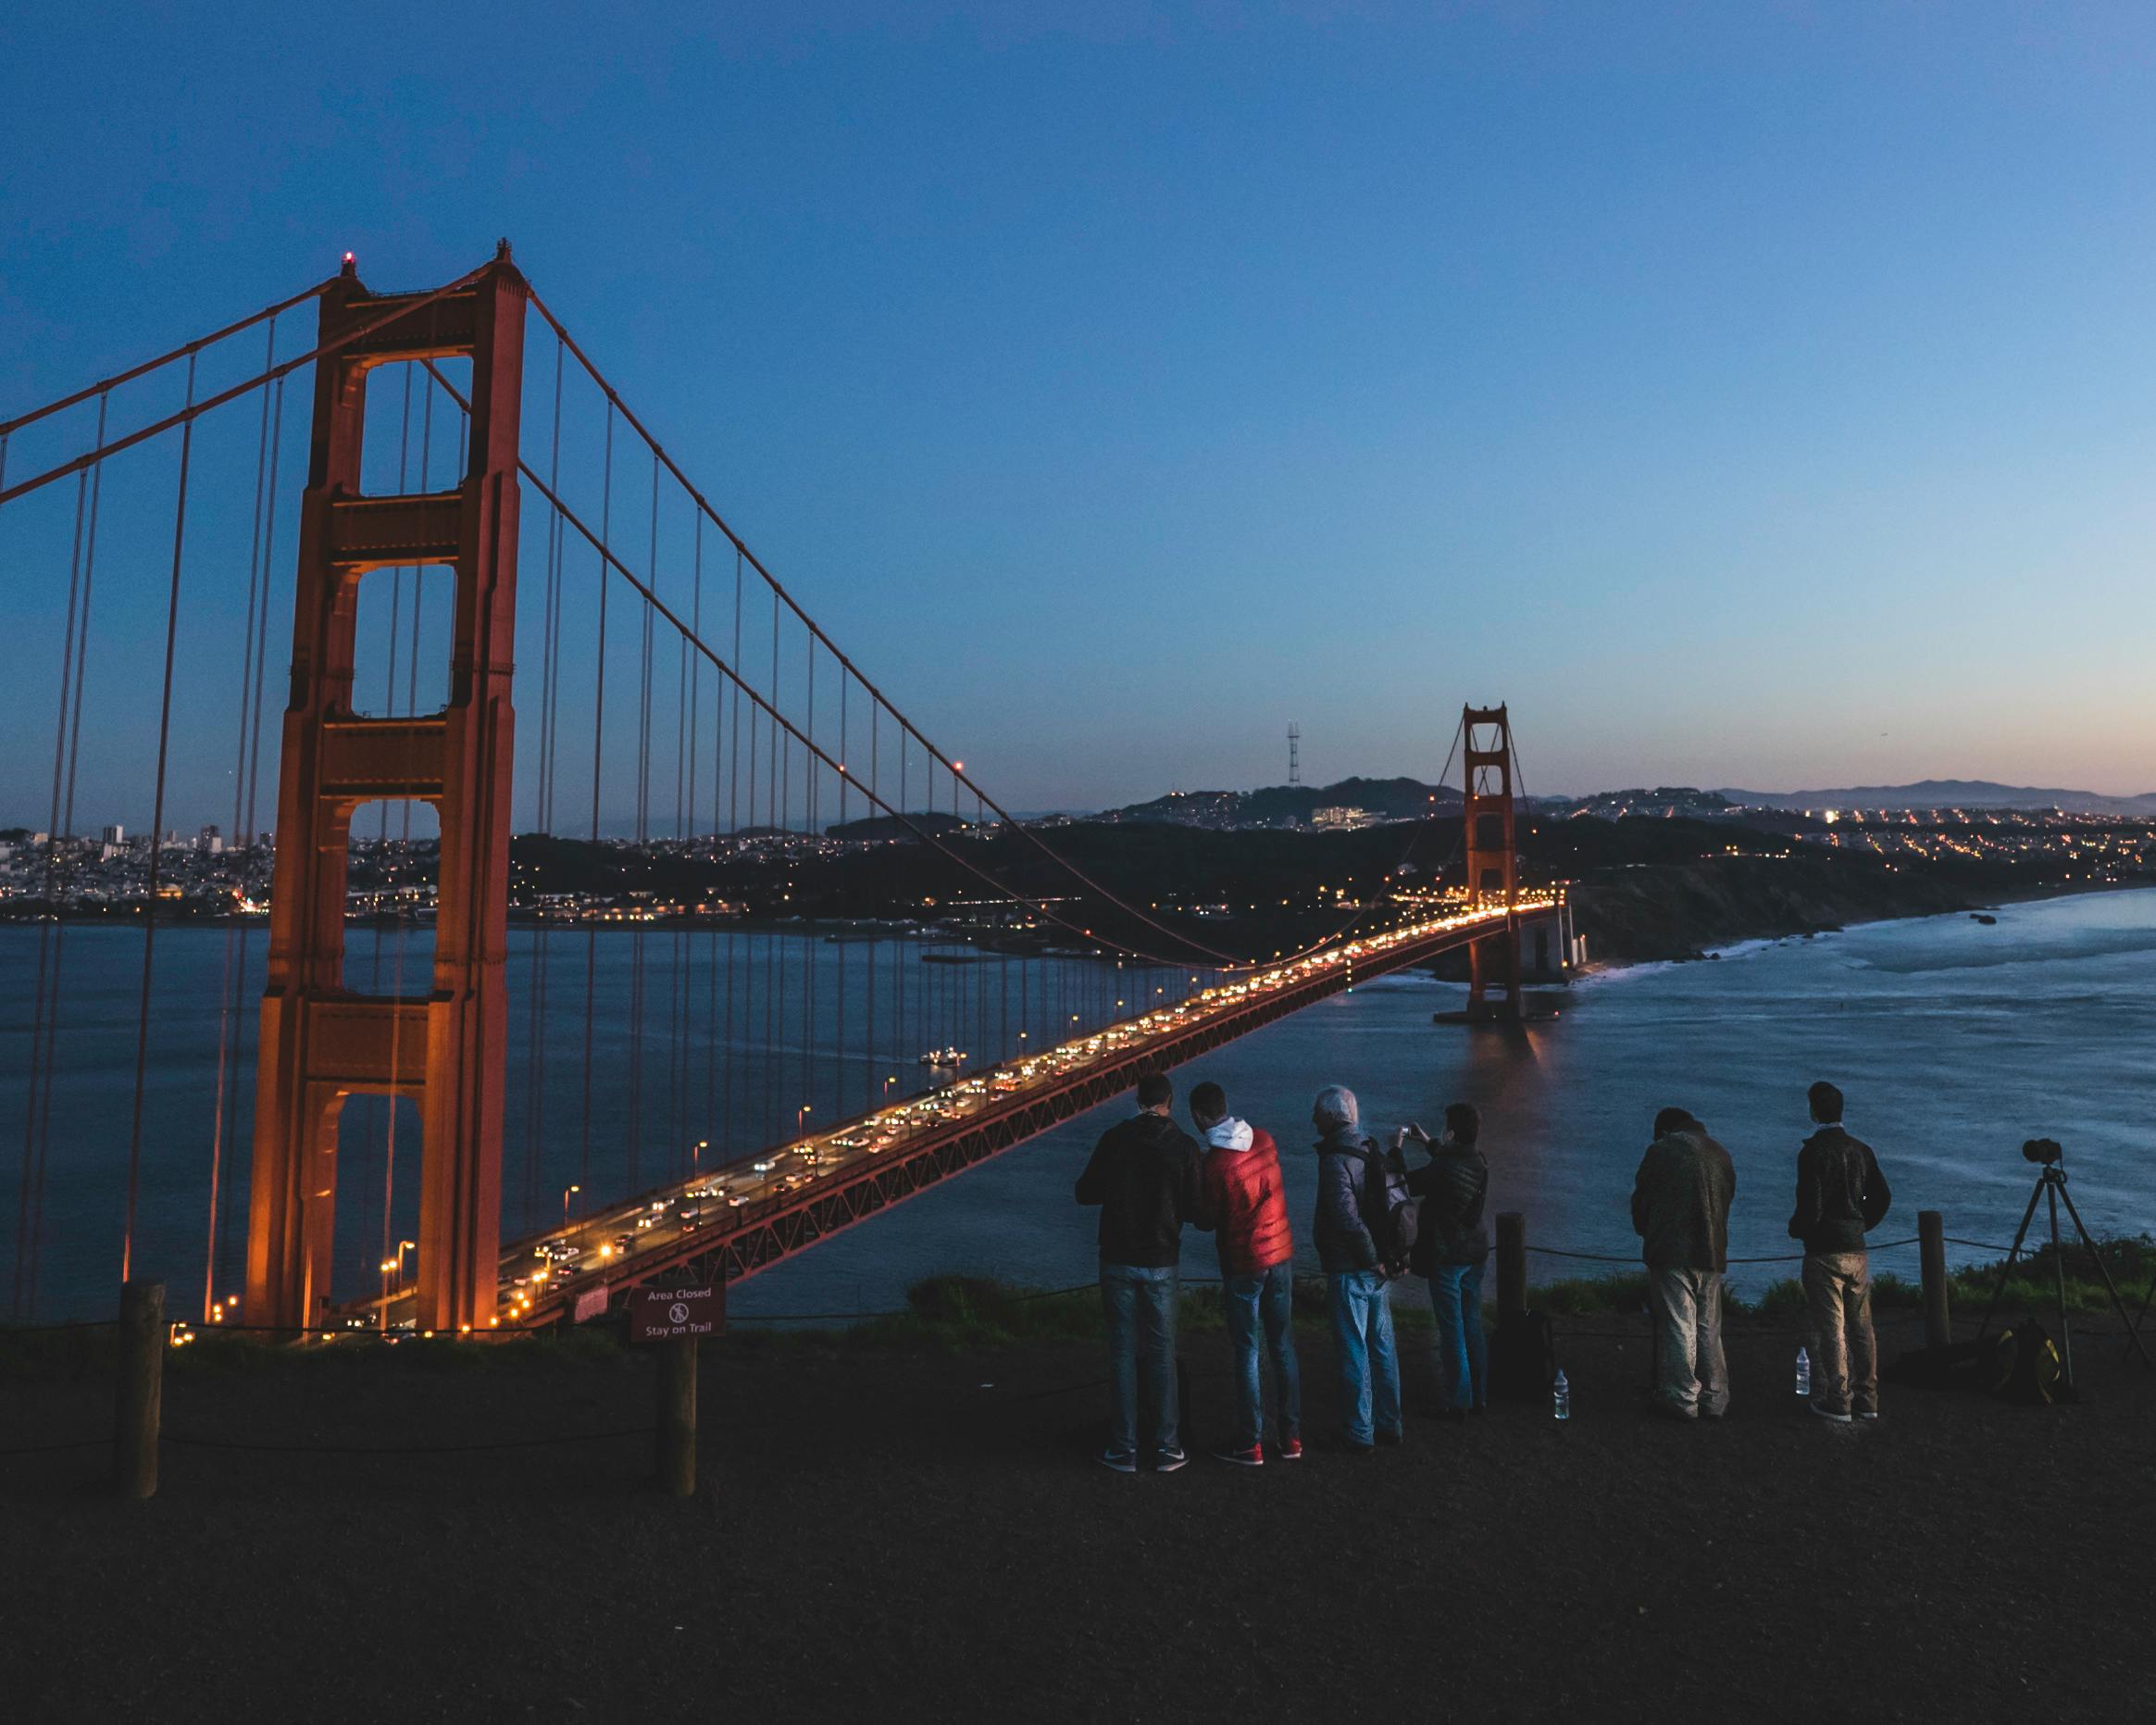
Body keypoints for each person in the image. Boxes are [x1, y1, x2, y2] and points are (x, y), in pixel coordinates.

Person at [1075, 1070, 1212, 1473]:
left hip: (1117, 1257)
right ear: (1169, 1101)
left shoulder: (1114, 1139)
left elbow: (1085, 1192)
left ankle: (1124, 1448)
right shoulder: (1185, 1146)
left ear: (1138, 1101)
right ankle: (1168, 1448)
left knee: (1121, 1353)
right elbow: (1196, 1211)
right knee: (1162, 1354)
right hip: (1161, 1260)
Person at [1191, 1080, 1302, 1466]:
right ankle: (1291, 1439)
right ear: (1226, 1107)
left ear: (1199, 1117)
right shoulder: (1266, 1139)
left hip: (1244, 1264)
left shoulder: (1214, 1164)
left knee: (1247, 1350)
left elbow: (1206, 1221)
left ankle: (1250, 1443)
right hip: (1281, 1256)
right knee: (1283, 1345)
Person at [1788, 1081, 1892, 1424]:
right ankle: (1868, 1398)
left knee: (1832, 1327)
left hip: (1824, 1250)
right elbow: (1882, 1197)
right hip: (1856, 1248)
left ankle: (1839, 1399)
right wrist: (1861, 1224)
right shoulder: (1862, 1150)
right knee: (1862, 1326)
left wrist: (1799, 1229)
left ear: (1813, 1111)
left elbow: (1811, 1207)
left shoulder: (1813, 1153)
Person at [1630, 1106, 1737, 1421]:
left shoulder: (1661, 1151)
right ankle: (1716, 1397)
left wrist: (1647, 1227)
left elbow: (1642, 1202)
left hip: (1671, 1250)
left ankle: (1682, 1397)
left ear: (1665, 1131)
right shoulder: (1721, 1154)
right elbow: (1727, 1199)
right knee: (1708, 1327)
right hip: (1713, 1251)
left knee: (1679, 1324)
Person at [1311, 1084, 1402, 1451]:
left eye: (1316, 1112)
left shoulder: (1337, 1159)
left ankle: (1359, 1431)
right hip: (1379, 1266)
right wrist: (1388, 1259)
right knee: (1383, 1347)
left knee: (1354, 1349)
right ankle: (1390, 1424)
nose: (1312, 1118)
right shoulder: (1371, 1147)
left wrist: (1370, 1260)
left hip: (1354, 1269)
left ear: (1333, 1117)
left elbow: (1347, 1221)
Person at [1402, 1102, 1489, 1417]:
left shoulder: (1443, 1169)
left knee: (1451, 1328)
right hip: (1476, 1253)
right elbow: (1448, 1161)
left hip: (1448, 1255)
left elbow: (1408, 1183)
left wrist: (1395, 1150)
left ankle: (1459, 1401)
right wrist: (1427, 1141)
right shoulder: (1478, 1159)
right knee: (1472, 1324)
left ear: (1452, 1132)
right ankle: (1479, 1396)